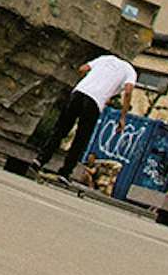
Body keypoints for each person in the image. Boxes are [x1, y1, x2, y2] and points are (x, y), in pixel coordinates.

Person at [34, 51, 138, 182]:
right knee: (81, 138)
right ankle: (65, 172)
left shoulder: (105, 58)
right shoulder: (130, 71)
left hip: (78, 93)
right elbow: (128, 92)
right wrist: (123, 117)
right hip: (94, 102)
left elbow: (82, 69)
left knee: (60, 129)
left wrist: (89, 82)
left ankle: (40, 159)